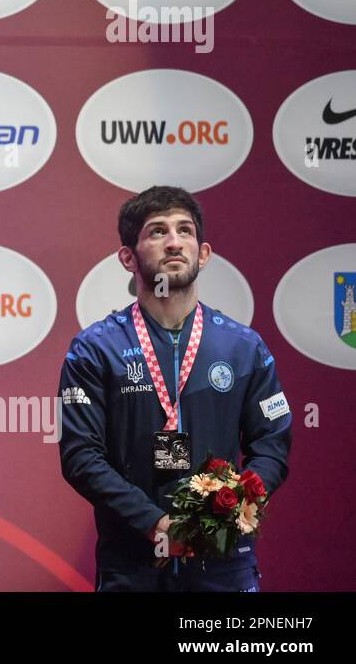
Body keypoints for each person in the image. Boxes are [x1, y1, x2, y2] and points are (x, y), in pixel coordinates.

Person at [58, 185, 291, 592]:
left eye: (185, 230)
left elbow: (272, 443)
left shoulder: (242, 346)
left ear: (203, 253)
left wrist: (235, 506)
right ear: (128, 257)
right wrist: (154, 522)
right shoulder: (95, 349)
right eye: (156, 232)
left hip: (223, 561)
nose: (173, 242)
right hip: (131, 565)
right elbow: (80, 455)